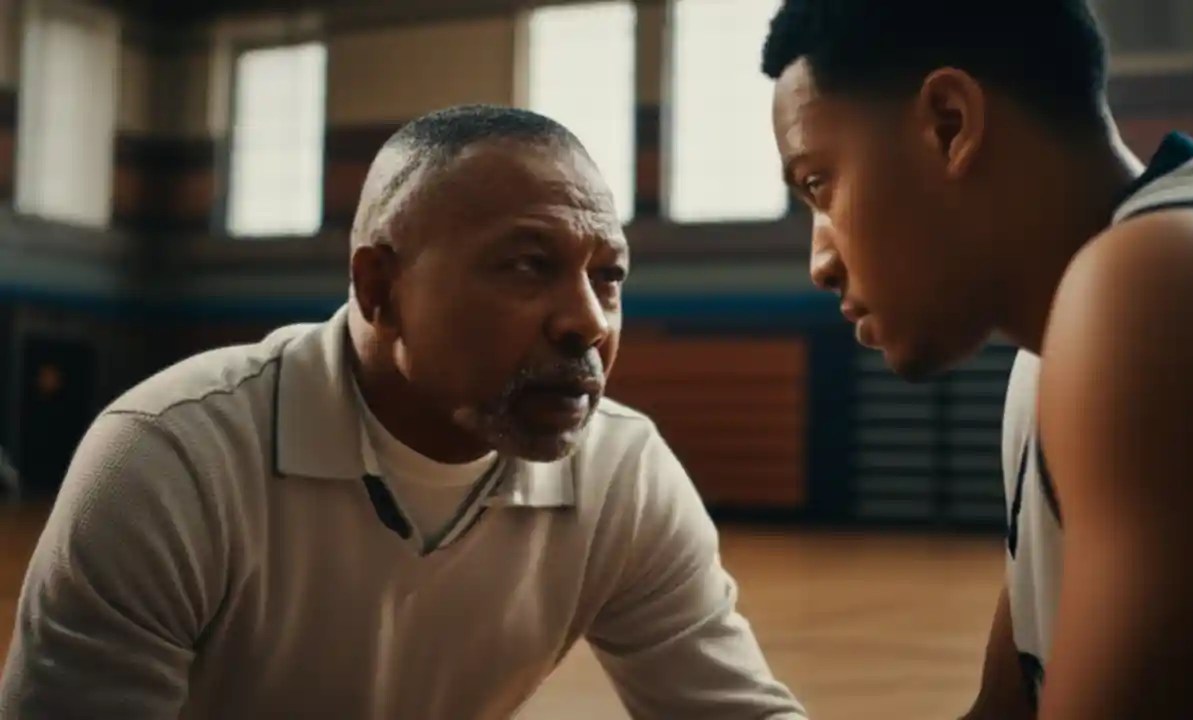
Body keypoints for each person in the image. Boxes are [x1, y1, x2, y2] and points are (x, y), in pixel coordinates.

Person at [0, 105, 806, 720]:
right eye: (529, 265)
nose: (589, 322)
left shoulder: (623, 473)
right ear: (379, 287)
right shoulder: (171, 457)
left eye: (608, 277)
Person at [761, 1, 1193, 717]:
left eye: (819, 184)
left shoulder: (1161, 287)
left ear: (949, 124)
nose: (819, 262)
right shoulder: (1055, 349)